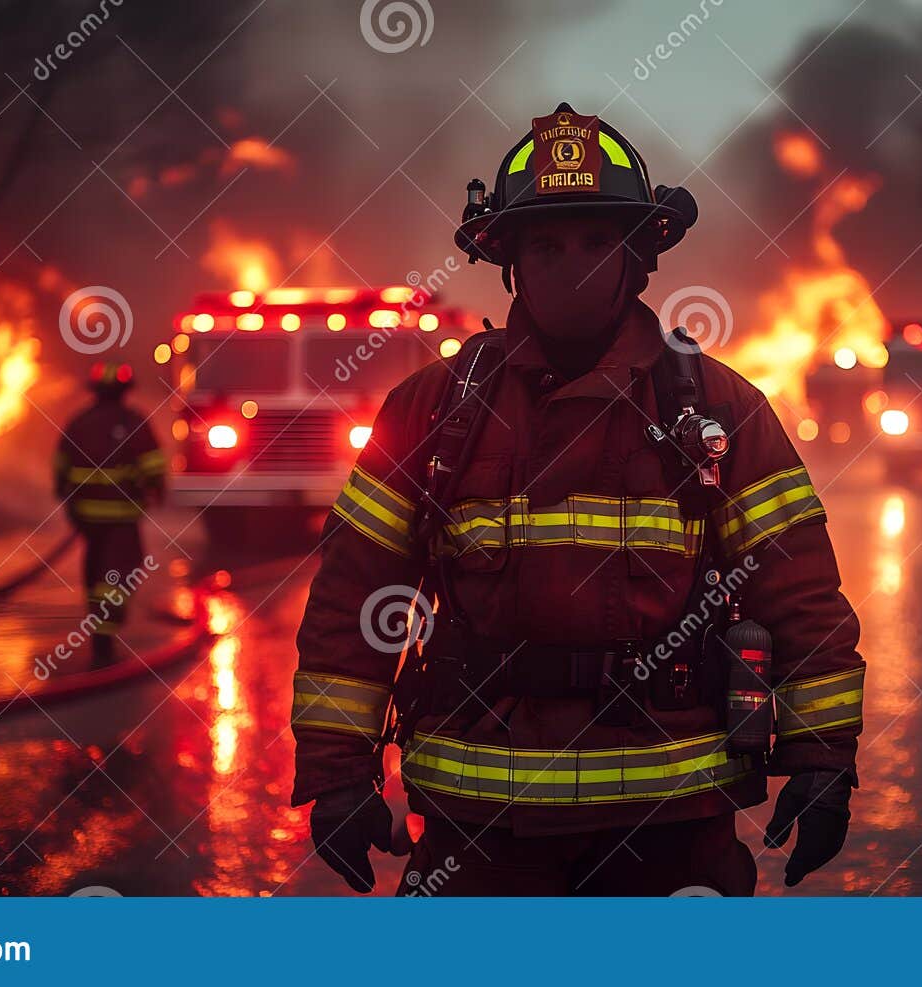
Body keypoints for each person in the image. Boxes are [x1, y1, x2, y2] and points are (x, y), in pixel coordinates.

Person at [290, 104, 865, 895]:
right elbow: (351, 600)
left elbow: (800, 592)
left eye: (599, 240)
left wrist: (823, 754)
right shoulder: (431, 411)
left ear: (638, 257)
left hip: (673, 825)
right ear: (511, 260)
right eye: (547, 243)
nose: (574, 265)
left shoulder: (722, 413)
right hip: (478, 832)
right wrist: (335, 772)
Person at [53, 361, 165, 666]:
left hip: (88, 520)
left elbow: (60, 470)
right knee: (123, 570)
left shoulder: (79, 422)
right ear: (125, 390)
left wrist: (72, 505)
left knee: (95, 570)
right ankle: (104, 640)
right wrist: (157, 490)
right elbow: (154, 466)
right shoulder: (134, 423)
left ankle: (100, 637)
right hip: (122, 518)